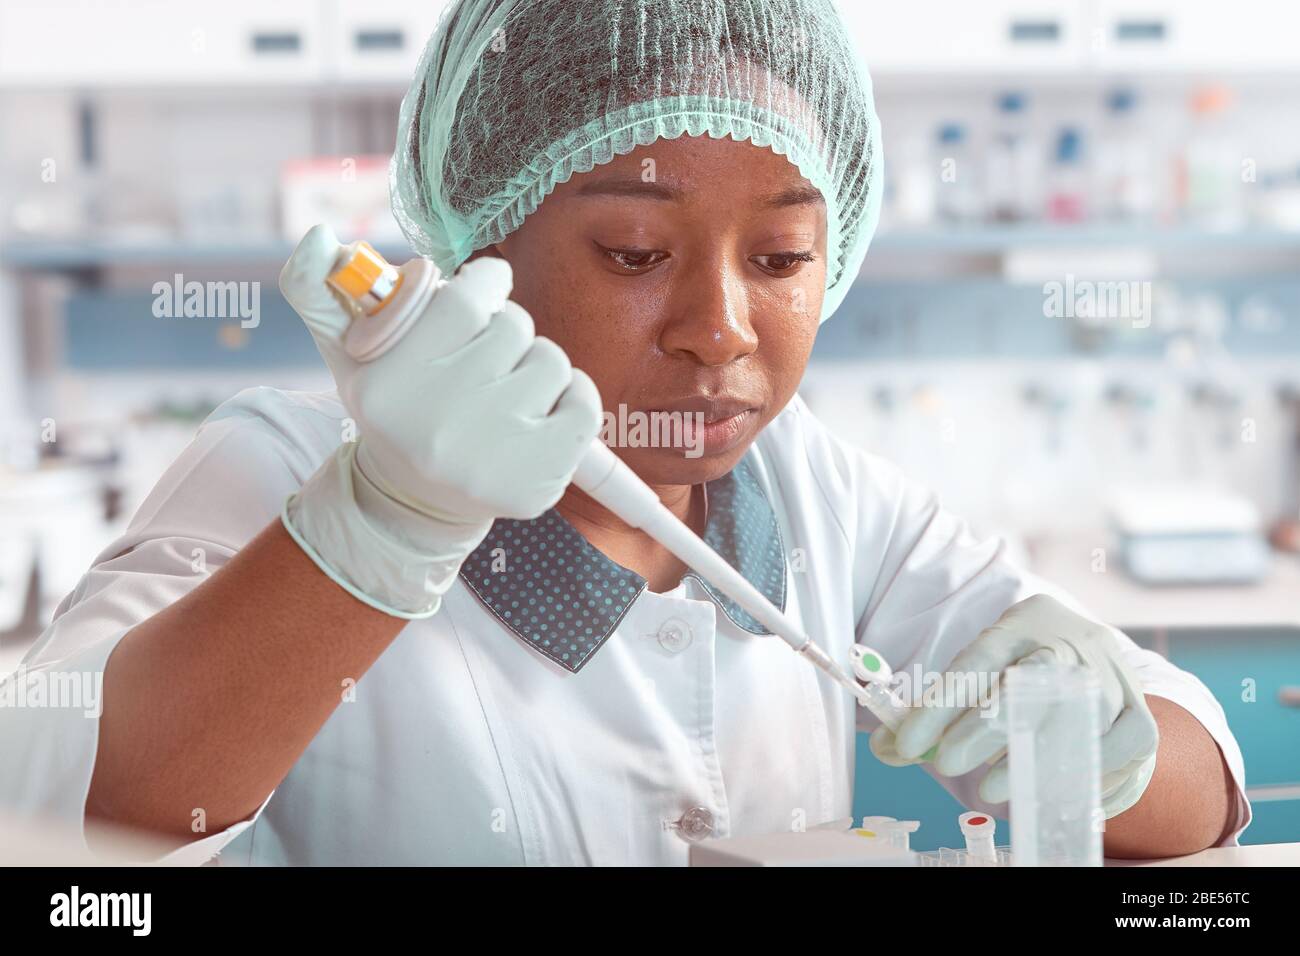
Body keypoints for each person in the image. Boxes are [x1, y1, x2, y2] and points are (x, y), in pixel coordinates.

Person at [0, 0, 1247, 865]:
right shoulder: (286, 466)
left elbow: (1198, 783)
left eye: (782, 256)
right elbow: (60, 818)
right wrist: (379, 526)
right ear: (480, 239)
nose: (719, 327)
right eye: (636, 251)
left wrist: (1106, 756)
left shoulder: (817, 494)